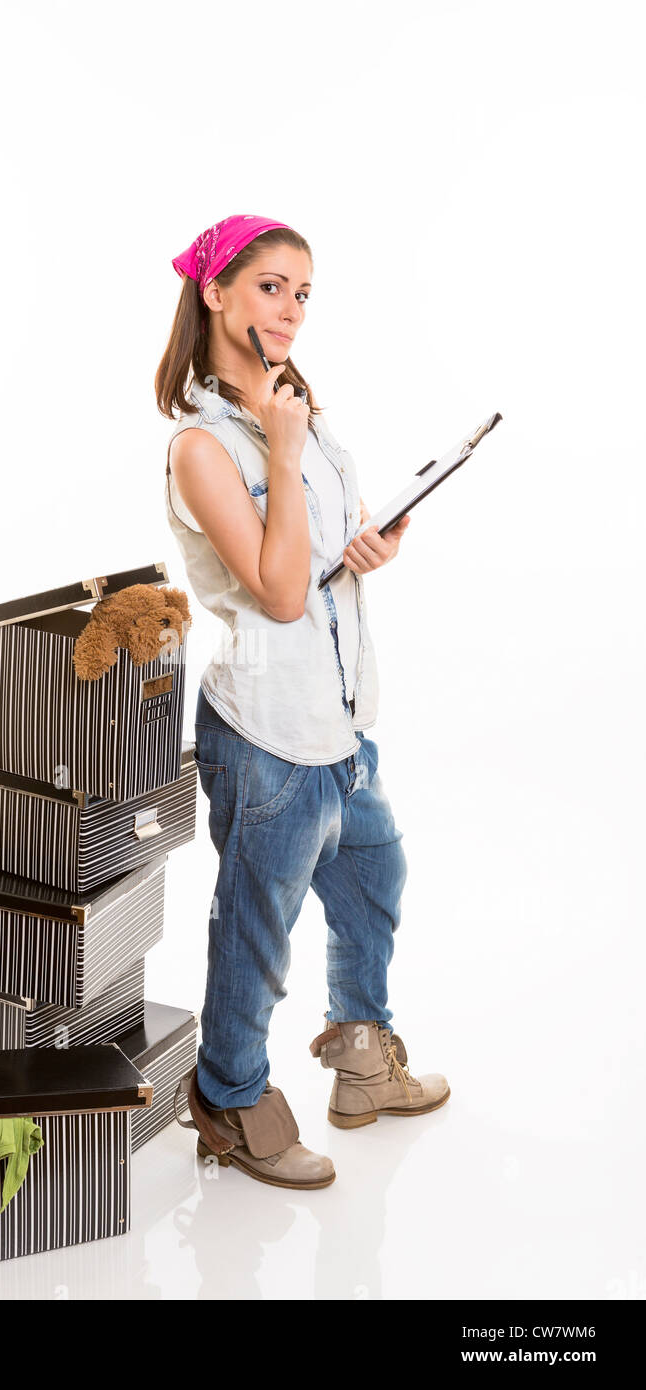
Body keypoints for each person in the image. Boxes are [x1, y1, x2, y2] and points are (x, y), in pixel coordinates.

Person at [156, 215, 449, 1191]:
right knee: (256, 925)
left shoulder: (302, 416)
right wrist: (279, 452)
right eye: (271, 287)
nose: (289, 311)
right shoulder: (203, 446)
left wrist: (373, 542)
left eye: (302, 294)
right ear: (216, 294)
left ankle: (361, 1051)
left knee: (373, 880)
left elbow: (323, 556)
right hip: (265, 732)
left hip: (338, 719)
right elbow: (278, 595)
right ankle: (230, 1096)